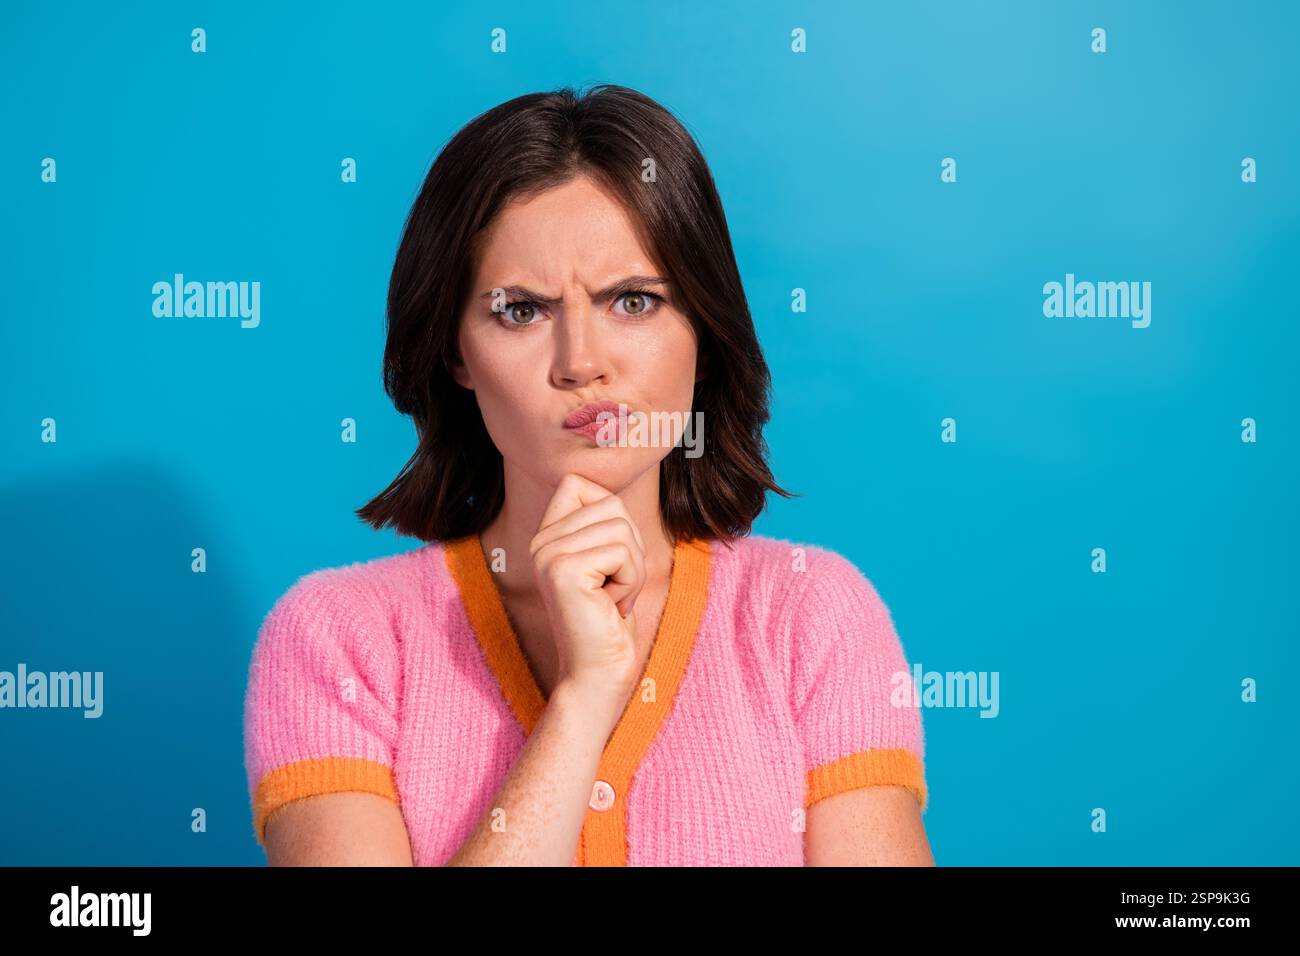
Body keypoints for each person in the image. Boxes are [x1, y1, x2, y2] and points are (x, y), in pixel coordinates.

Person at [242, 84, 934, 866]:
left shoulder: (812, 616)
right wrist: (582, 700)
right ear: (454, 352)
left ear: (704, 329)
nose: (582, 364)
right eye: (521, 311)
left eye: (634, 301)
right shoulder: (339, 638)